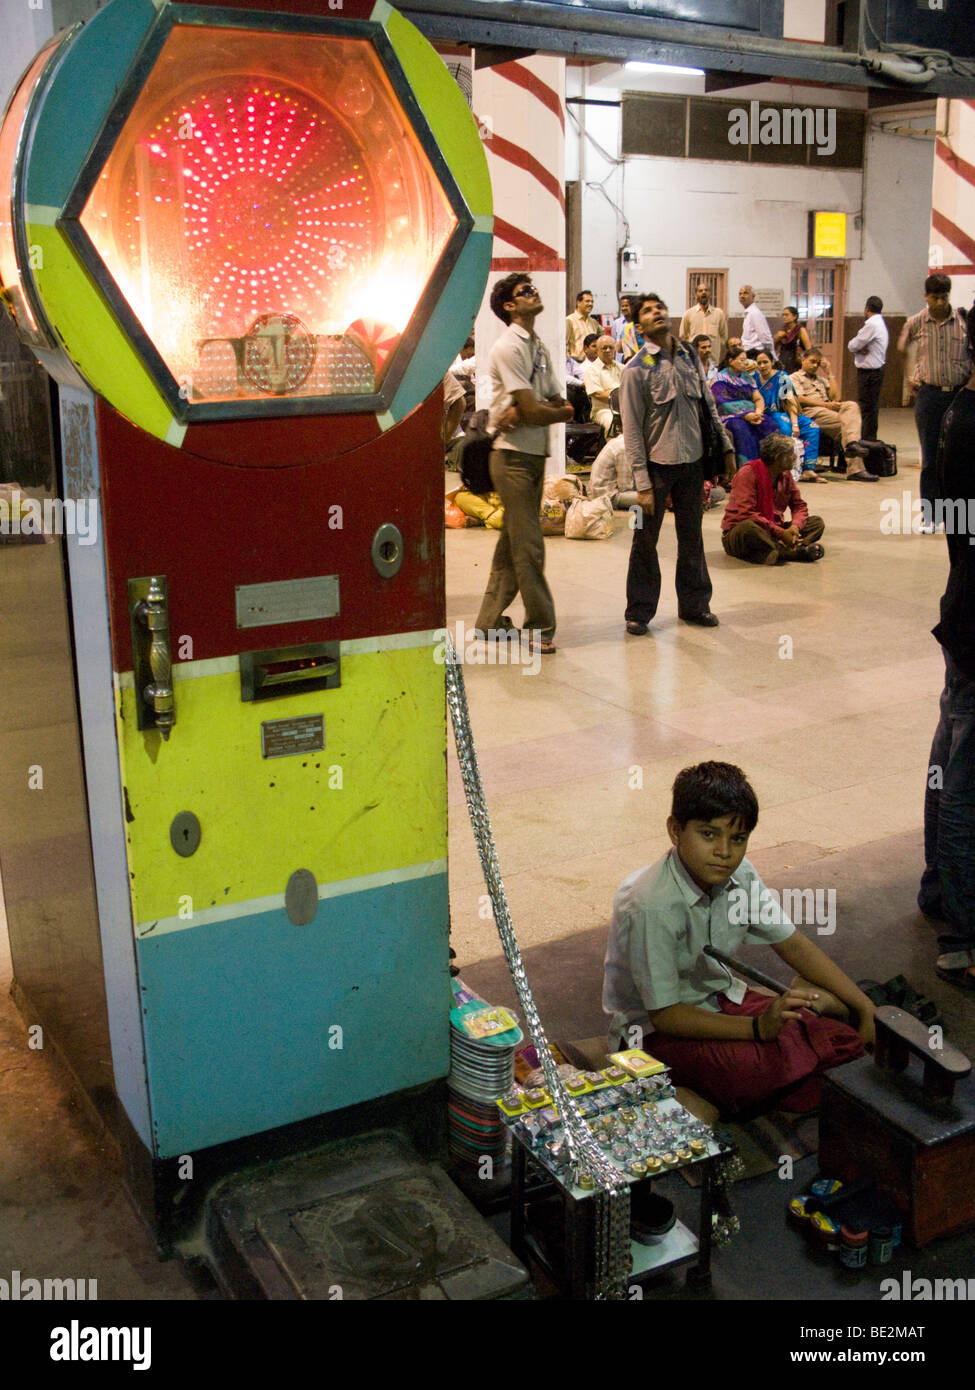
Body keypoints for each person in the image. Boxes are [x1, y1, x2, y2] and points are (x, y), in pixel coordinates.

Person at [603, 761, 874, 1116]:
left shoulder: (740, 874)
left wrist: (866, 1008)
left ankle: (802, 1042)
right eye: (709, 834)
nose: (725, 852)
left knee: (844, 1041)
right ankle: (794, 1054)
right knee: (761, 1071)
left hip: (723, 999)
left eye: (738, 838)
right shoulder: (650, 905)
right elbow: (667, 1015)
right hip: (655, 1032)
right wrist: (759, 1029)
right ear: (675, 830)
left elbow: (791, 943)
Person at [620, 293, 734, 635]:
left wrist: (725, 445)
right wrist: (641, 483)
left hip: (692, 464)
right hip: (655, 468)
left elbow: (708, 405)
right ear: (639, 326)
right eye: (648, 311)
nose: (657, 313)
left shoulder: (687, 355)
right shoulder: (636, 369)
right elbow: (632, 431)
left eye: (660, 307)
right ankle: (639, 612)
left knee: (692, 537)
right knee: (644, 539)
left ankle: (695, 606)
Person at [918, 303, 975, 986]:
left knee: (949, 752)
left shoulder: (956, 410)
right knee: (964, 778)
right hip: (972, 612)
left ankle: (938, 891)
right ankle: (961, 929)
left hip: (962, 600)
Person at [474, 274, 574, 655]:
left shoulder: (538, 346)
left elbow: (553, 400)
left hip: (532, 456)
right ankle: (539, 626)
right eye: (524, 291)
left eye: (533, 288)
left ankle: (488, 623)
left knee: (511, 544)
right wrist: (548, 411)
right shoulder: (507, 347)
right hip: (511, 458)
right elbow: (538, 408)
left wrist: (542, 409)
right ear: (510, 307)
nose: (534, 293)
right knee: (529, 545)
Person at [898, 272, 971, 529]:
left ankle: (957, 515)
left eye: (944, 297)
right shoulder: (916, 322)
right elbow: (903, 348)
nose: (939, 303)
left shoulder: (963, 321)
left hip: (959, 394)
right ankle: (931, 516)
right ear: (926, 296)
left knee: (957, 458)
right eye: (934, 298)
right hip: (929, 395)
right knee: (930, 459)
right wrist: (910, 376)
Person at [721, 434, 825, 565]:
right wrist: (781, 533)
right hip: (744, 531)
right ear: (778, 458)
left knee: (816, 523)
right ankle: (794, 552)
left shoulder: (785, 475)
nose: (794, 457)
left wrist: (794, 527)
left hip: (774, 530)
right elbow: (746, 513)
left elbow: (799, 506)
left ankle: (776, 549)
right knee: (748, 528)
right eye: (790, 454)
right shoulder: (748, 473)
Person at [790, 349, 877, 480]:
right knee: (849, 426)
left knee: (851, 407)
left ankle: (852, 446)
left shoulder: (821, 380)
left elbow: (836, 397)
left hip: (828, 410)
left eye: (818, 363)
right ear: (803, 360)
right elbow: (799, 398)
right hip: (811, 411)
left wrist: (830, 373)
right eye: (812, 362)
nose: (815, 366)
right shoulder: (794, 377)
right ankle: (855, 470)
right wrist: (825, 405)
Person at [753, 349, 821, 481]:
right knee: (785, 428)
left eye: (765, 362)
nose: (762, 366)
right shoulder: (753, 378)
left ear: (772, 362)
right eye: (759, 363)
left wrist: (795, 424)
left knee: (812, 427)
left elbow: (790, 402)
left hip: (788, 412)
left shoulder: (782, 377)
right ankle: (784, 470)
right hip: (769, 414)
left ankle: (808, 469)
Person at [710, 347, 778, 466]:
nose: (745, 363)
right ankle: (748, 468)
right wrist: (745, 415)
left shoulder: (748, 378)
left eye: (745, 360)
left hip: (752, 414)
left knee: (769, 424)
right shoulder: (720, 378)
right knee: (741, 429)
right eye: (741, 360)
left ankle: (769, 467)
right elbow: (722, 402)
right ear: (731, 361)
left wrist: (758, 412)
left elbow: (758, 398)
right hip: (730, 416)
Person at [847, 296, 888, 443]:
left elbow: (853, 345)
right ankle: (868, 437)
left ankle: (867, 438)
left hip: (869, 373)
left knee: (867, 408)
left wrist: (857, 349)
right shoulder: (880, 323)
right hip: (876, 370)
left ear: (867, 309)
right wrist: (860, 349)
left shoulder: (872, 325)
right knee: (871, 407)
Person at [679, 282, 728, 363]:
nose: (703, 292)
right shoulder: (688, 314)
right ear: (696, 294)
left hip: (713, 362)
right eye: (700, 291)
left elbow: (724, 336)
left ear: (710, 294)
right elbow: (683, 336)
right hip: (694, 362)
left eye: (706, 290)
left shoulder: (719, 314)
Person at [584, 335, 622, 434]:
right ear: (597, 351)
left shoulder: (622, 368)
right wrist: (621, 397)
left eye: (611, 347)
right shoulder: (592, 370)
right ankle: (613, 449)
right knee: (613, 424)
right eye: (604, 348)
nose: (608, 350)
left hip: (624, 407)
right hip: (603, 410)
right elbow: (597, 394)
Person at [589, 435, 637, 511]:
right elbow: (626, 487)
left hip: (600, 492)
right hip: (605, 497)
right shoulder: (625, 448)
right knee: (652, 497)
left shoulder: (620, 441)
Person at [774, 305, 812, 377]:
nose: (784, 317)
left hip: (795, 362)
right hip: (782, 362)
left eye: (787, 315)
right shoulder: (783, 330)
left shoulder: (800, 330)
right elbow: (774, 346)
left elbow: (808, 349)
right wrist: (777, 337)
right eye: (783, 315)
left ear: (794, 317)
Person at [739, 285, 774, 359]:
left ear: (753, 296)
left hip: (756, 353)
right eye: (740, 294)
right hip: (748, 353)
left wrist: (770, 354)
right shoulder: (748, 313)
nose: (742, 296)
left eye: (745, 293)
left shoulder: (755, 313)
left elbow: (765, 336)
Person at [566, 289, 601, 362]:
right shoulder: (569, 320)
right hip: (576, 364)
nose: (590, 304)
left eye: (592, 302)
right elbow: (564, 344)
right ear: (578, 302)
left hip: (592, 364)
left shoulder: (594, 322)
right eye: (587, 301)